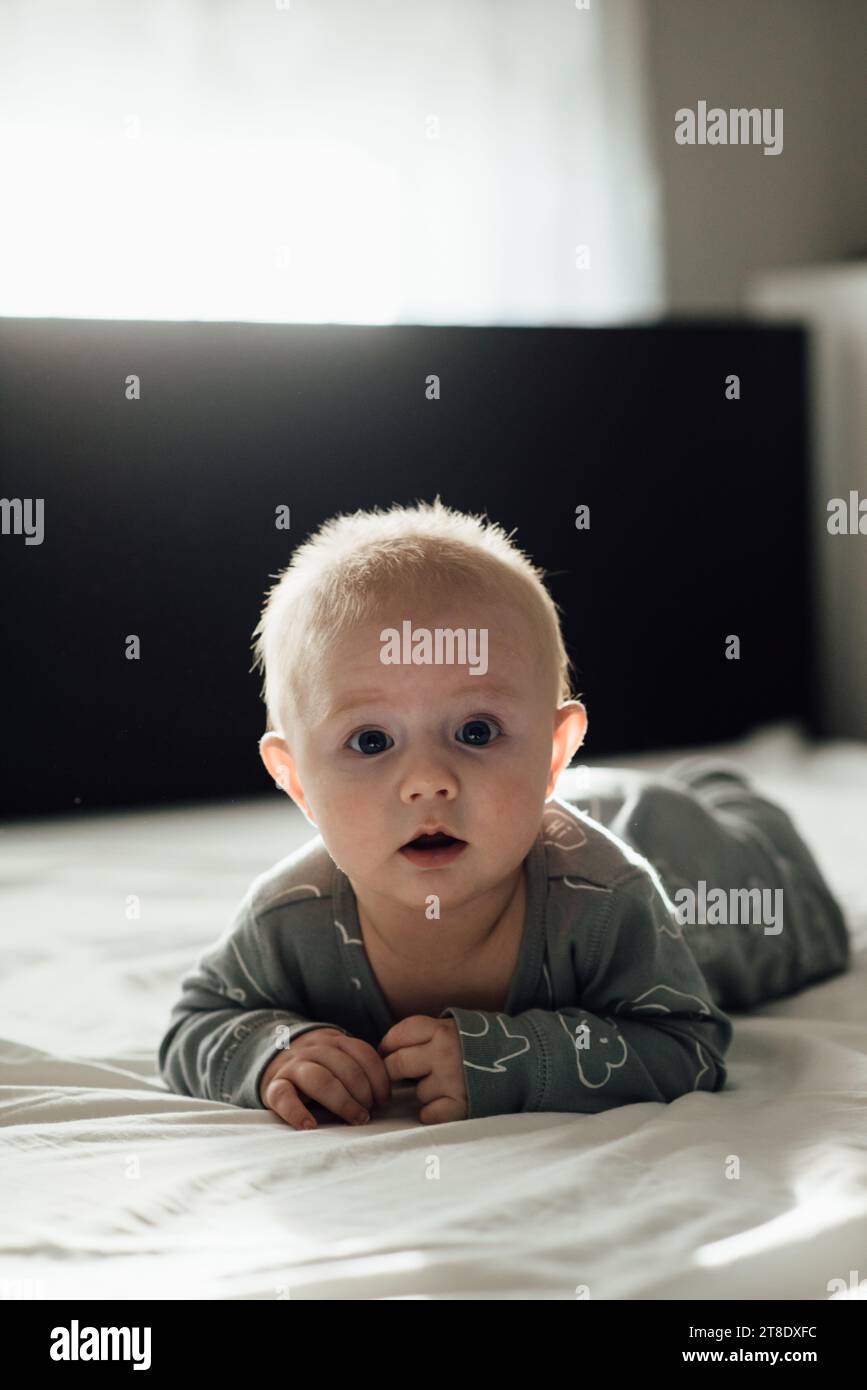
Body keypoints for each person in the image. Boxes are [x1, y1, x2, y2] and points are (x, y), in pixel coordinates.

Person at [157, 498, 850, 1127]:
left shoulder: (610, 901)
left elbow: (686, 1045)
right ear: (296, 779)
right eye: (371, 741)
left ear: (553, 751)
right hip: (567, 811)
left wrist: (507, 1059)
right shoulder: (289, 917)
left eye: (477, 732)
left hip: (673, 851)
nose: (428, 781)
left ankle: (730, 793)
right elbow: (197, 1022)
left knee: (786, 924)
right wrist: (279, 1053)